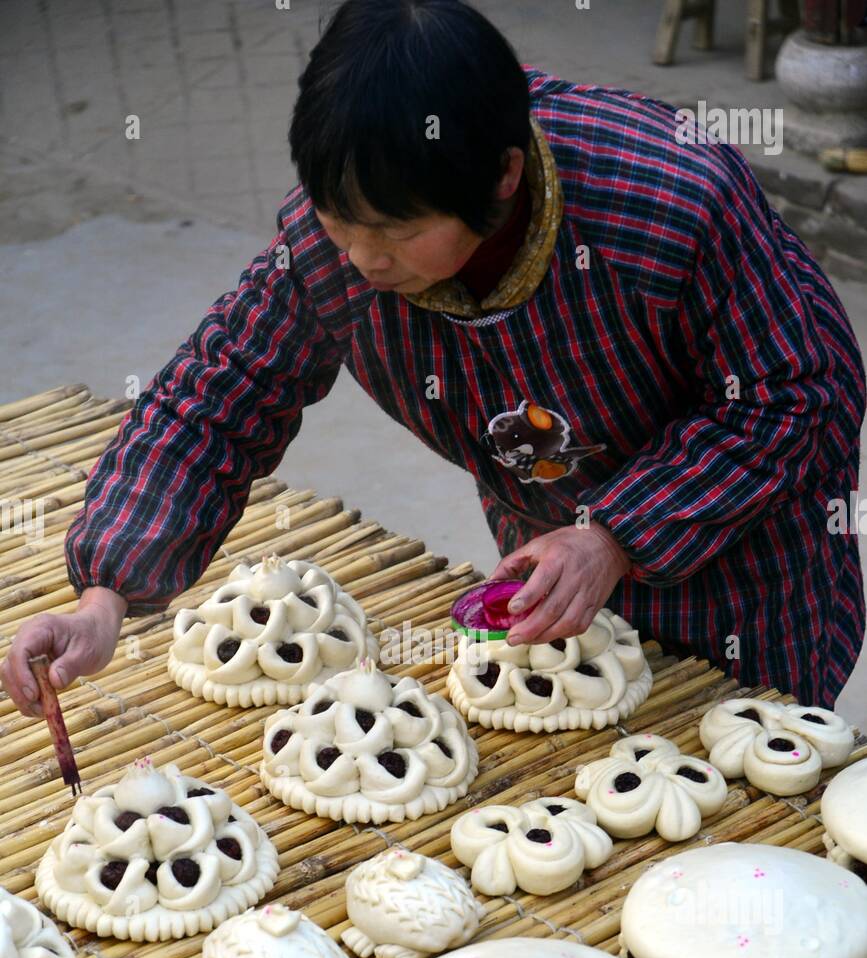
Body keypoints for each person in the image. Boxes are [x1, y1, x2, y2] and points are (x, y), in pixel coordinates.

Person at [2, 0, 864, 719]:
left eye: (398, 232)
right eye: (341, 224)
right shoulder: (332, 245)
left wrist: (615, 534)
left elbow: (803, 391)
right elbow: (212, 406)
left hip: (748, 577)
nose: (363, 262)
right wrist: (105, 594)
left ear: (502, 178)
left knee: (752, 834)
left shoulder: (669, 197)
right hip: (541, 580)